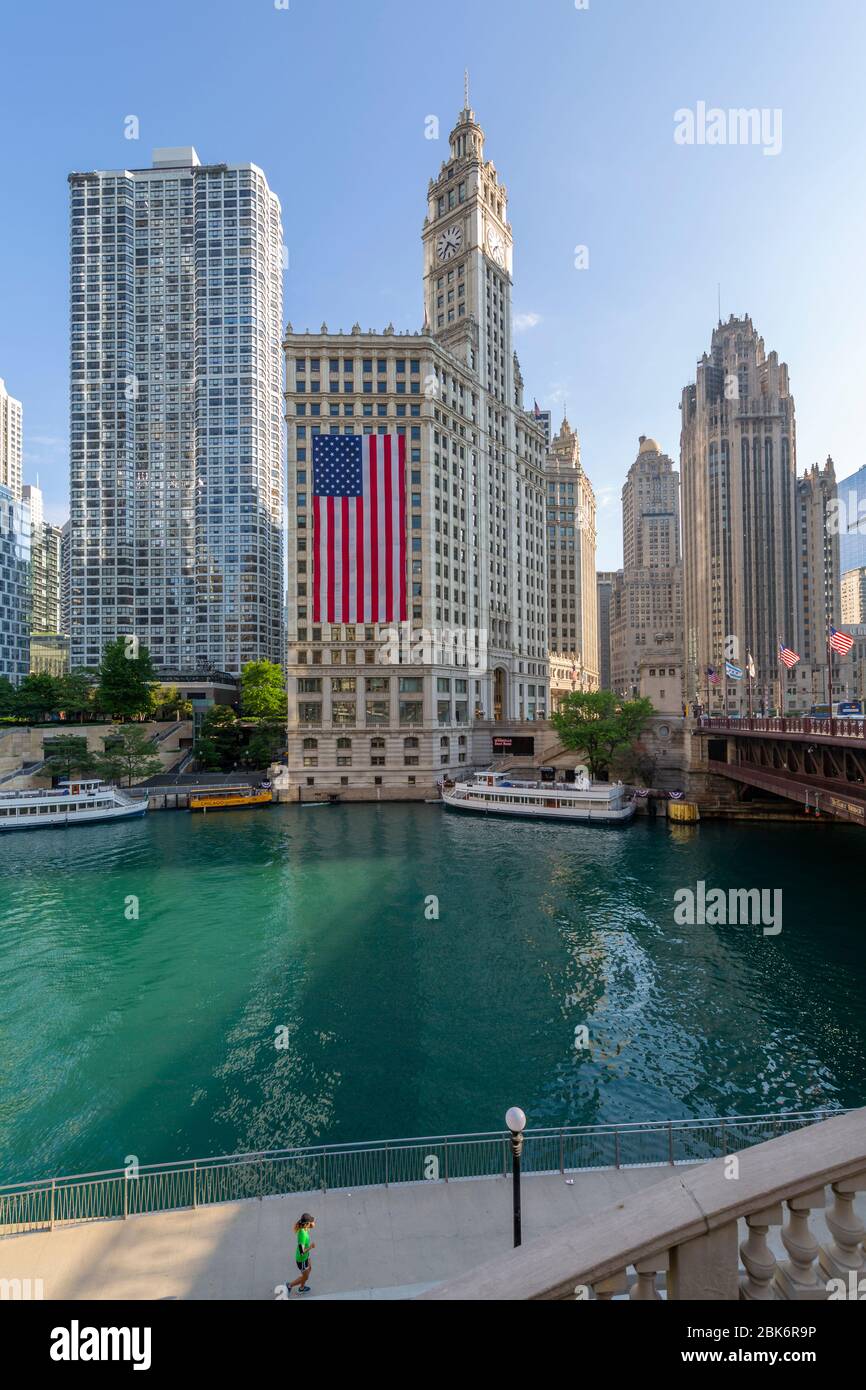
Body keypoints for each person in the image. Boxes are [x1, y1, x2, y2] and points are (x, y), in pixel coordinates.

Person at [289, 1213, 316, 1295]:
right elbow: (301, 1252)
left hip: (306, 1257)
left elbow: (311, 1225)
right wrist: (311, 1247)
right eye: (311, 1221)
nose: (314, 1222)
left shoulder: (305, 1229)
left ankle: (301, 1287)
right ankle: (289, 1286)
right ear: (307, 1224)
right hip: (302, 1260)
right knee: (305, 1277)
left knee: (309, 1270)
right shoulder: (302, 1234)